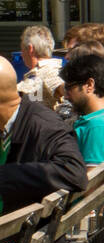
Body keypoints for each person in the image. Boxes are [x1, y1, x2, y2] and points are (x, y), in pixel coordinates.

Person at [0, 56, 88, 213]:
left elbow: (75, 173)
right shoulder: (18, 119)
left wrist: (6, 175)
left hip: (16, 233)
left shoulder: (44, 125)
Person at [60, 51, 104, 165]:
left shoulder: (97, 127)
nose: (66, 96)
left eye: (69, 88)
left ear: (89, 84)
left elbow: (92, 179)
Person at [18, 25, 63, 104]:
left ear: (30, 49)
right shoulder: (39, 71)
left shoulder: (49, 70)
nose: (21, 55)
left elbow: (62, 88)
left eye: (22, 50)